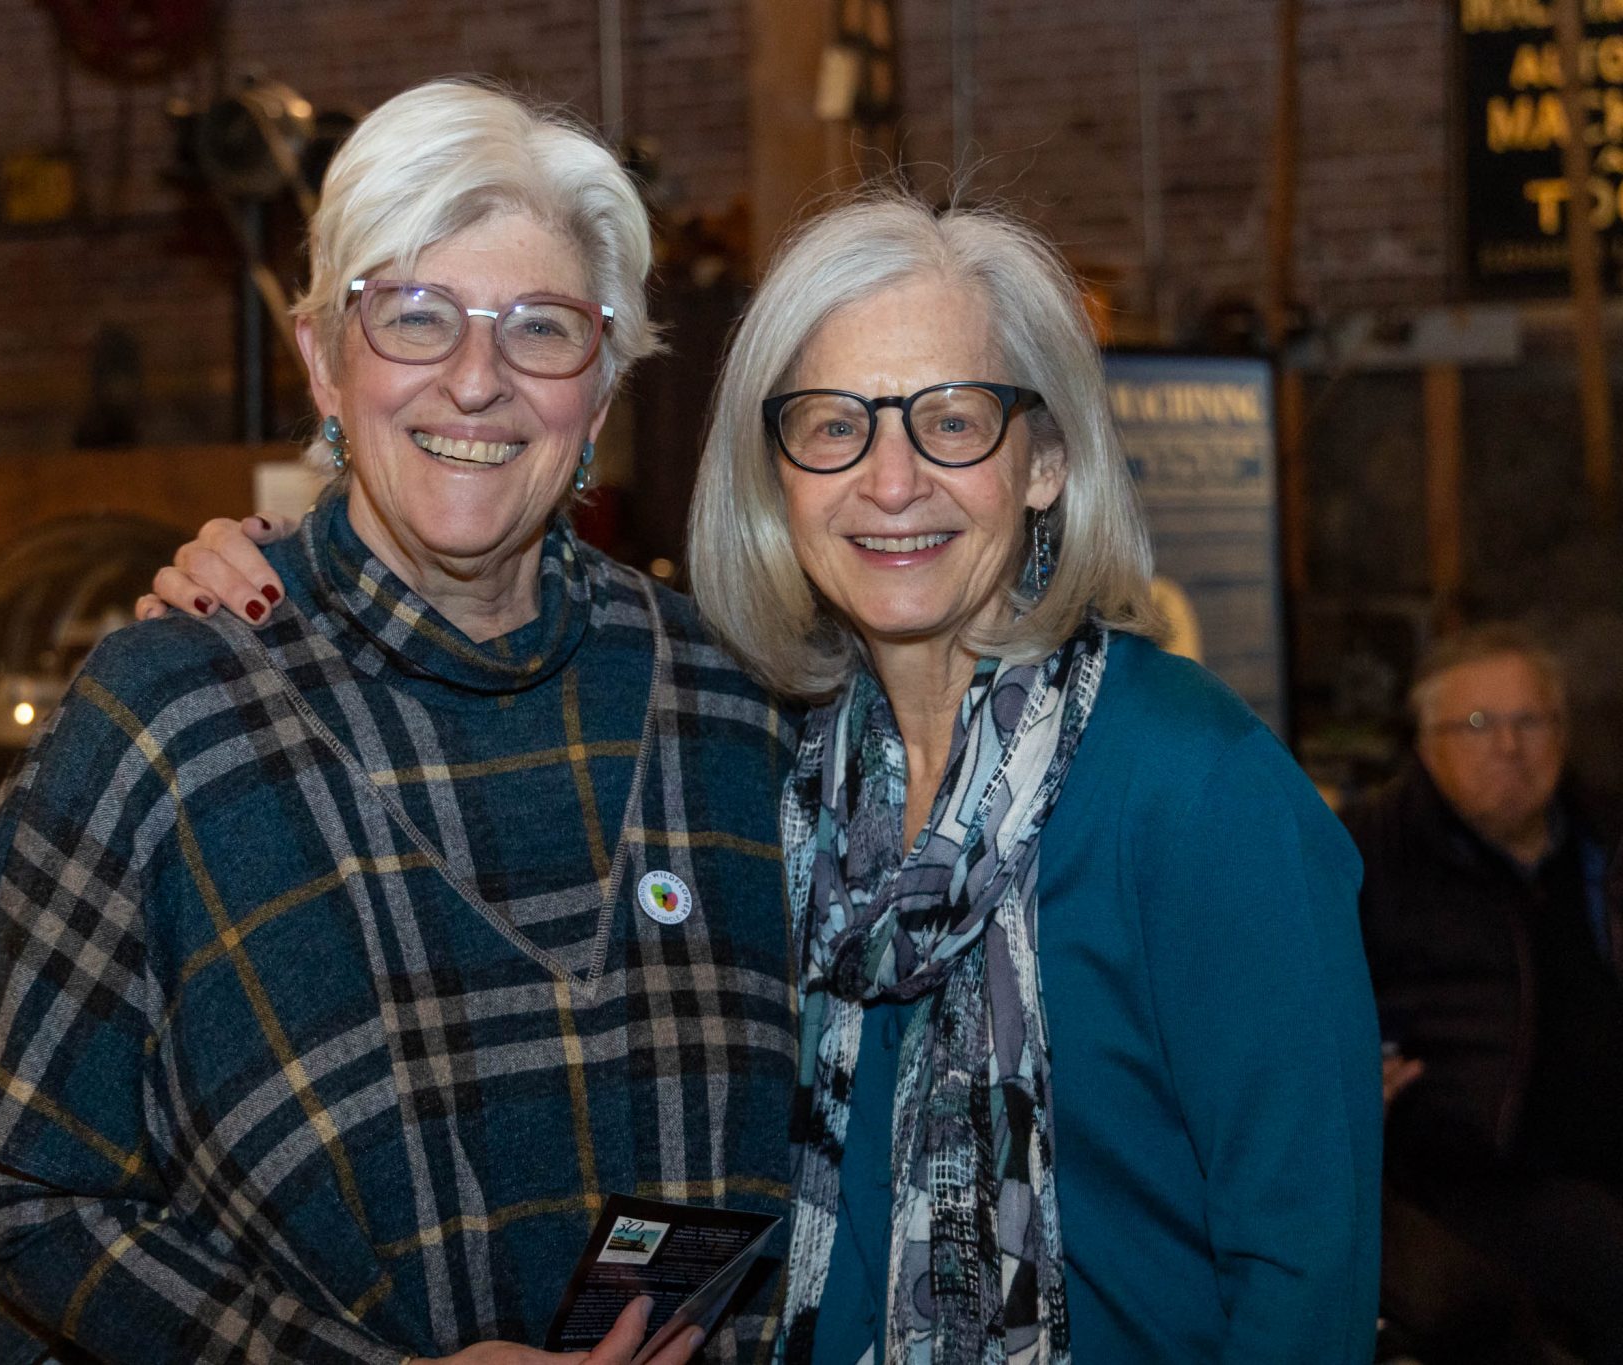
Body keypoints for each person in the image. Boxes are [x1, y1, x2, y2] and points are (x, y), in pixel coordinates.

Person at [150, 192, 1384, 1363]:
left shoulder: (1191, 787)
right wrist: (272, 580)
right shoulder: (763, 771)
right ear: (779, 476)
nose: (888, 482)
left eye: (949, 420)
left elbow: (1304, 1276)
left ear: (1043, 459)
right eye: (833, 424)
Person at [0, 79, 799, 1365]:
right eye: (415, 318)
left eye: (540, 330)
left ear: (597, 392)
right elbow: (45, 1218)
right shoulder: (171, 715)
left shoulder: (722, 704)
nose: (475, 382)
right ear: (322, 360)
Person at [1347, 624, 1623, 1365]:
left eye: (1529, 720)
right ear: (1426, 742)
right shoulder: (1364, 857)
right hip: (1464, 1179)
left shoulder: (1604, 840)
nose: (1509, 746)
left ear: (1563, 732)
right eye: (1477, 724)